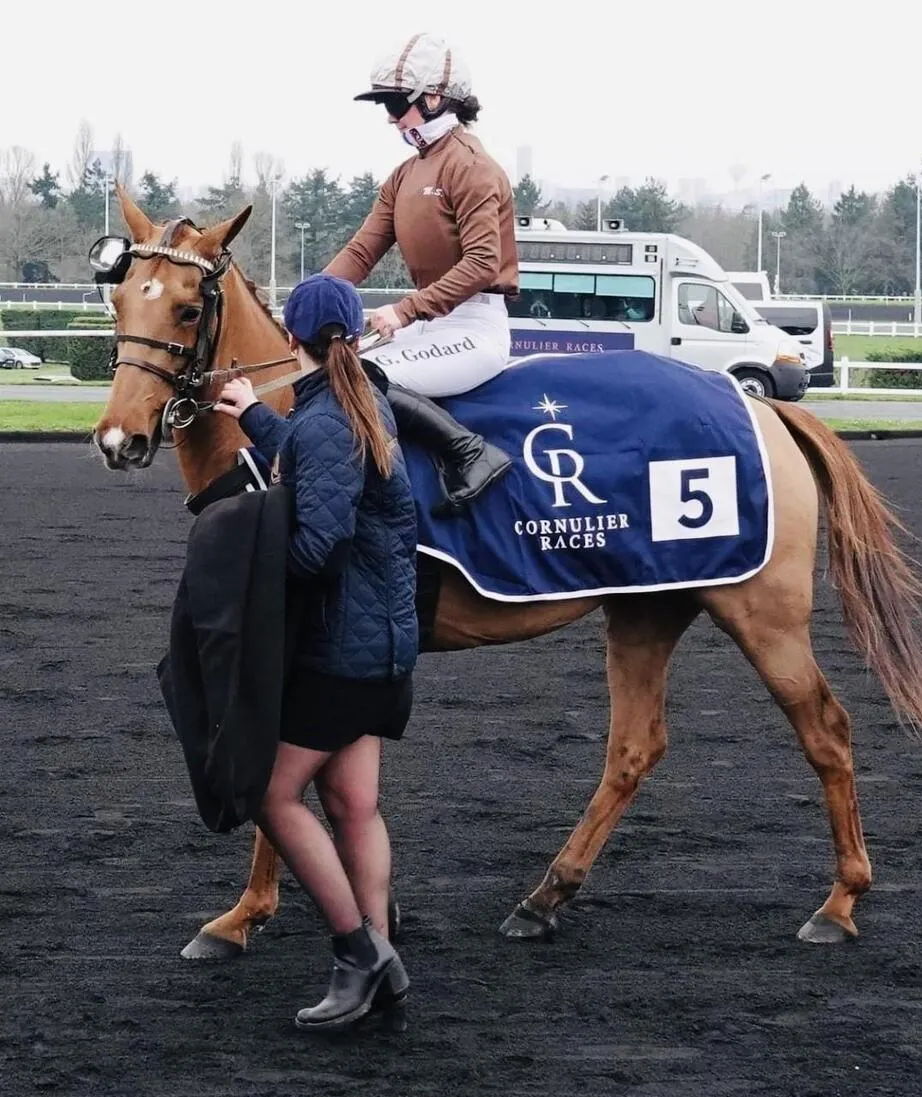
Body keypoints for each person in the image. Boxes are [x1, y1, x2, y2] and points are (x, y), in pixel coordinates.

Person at [213, 273, 418, 1031]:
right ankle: (383, 961)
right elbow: (318, 459)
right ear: (354, 338)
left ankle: (357, 953)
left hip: (342, 654)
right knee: (353, 804)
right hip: (383, 650)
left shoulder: (332, 419)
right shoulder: (363, 401)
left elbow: (320, 544)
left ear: (292, 338)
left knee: (271, 795)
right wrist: (255, 416)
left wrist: (251, 563)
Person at [324, 32, 518, 516]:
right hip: (428, 325)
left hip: (474, 328)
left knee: (363, 374)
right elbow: (362, 251)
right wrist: (310, 300)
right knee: (326, 367)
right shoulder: (404, 174)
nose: (390, 118)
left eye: (395, 104)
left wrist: (406, 309)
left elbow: (482, 263)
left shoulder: (472, 167)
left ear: (434, 98)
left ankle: (470, 452)